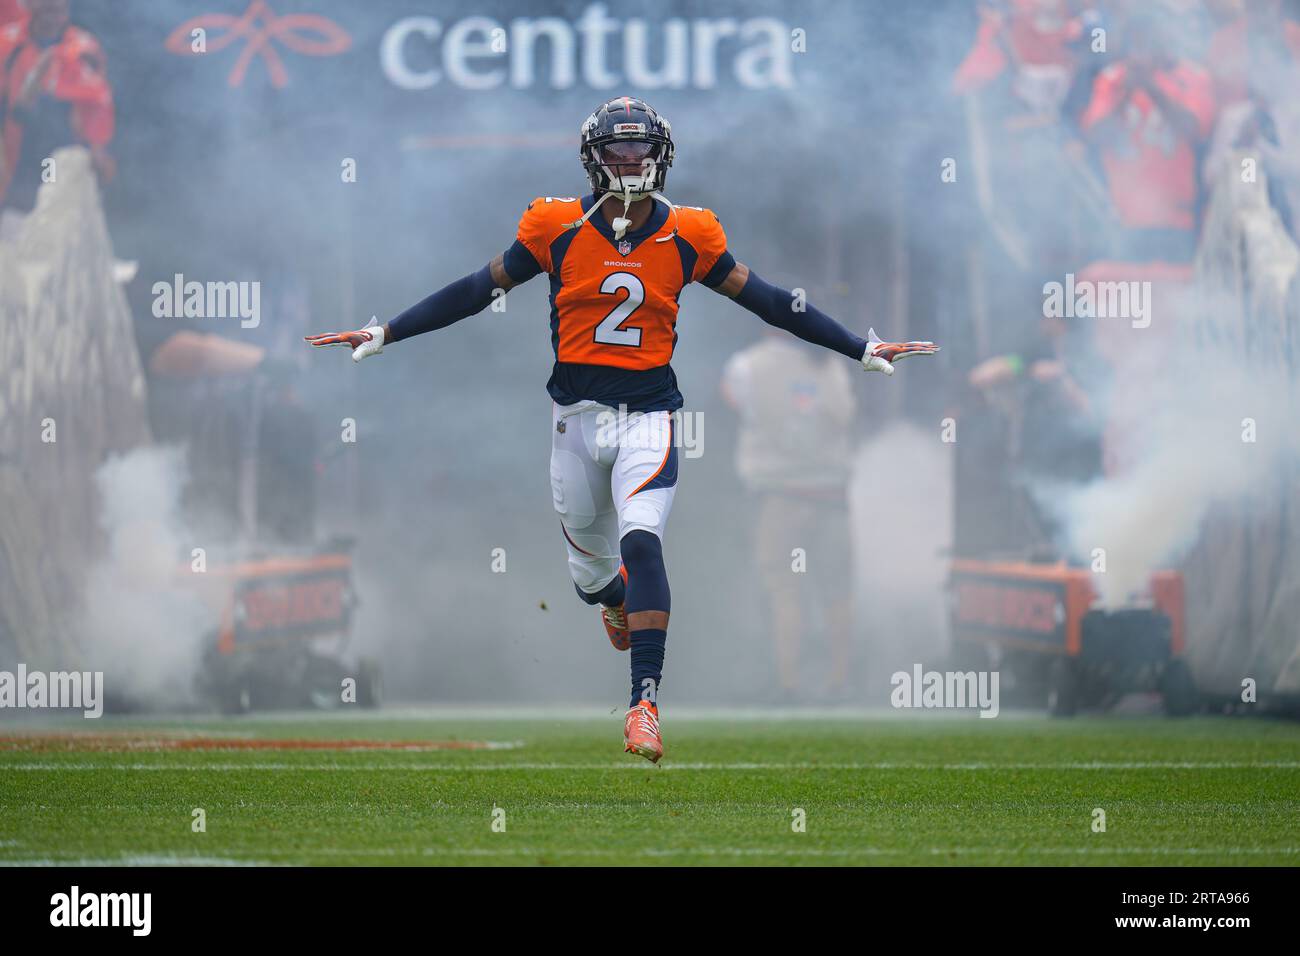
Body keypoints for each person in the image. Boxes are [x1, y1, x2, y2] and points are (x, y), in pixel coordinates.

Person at [306, 97, 938, 762]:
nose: (632, 162)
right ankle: (610, 600)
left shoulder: (690, 233)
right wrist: (386, 331)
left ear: (661, 156)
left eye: (642, 151)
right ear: (593, 158)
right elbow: (477, 288)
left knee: (643, 542)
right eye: (619, 151)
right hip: (574, 424)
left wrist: (861, 349)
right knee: (592, 579)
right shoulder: (555, 224)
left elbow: (773, 303)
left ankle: (644, 704)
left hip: (650, 418)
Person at [721, 328, 857, 700]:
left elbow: (732, 399)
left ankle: (788, 683)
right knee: (837, 593)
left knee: (784, 590)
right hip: (831, 496)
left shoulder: (748, 364)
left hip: (780, 497)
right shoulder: (831, 363)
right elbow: (846, 415)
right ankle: (839, 682)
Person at [0, 0, 114, 217]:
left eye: (59, 10)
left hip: (59, 146)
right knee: (14, 209)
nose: (52, 18)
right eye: (46, 9)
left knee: (52, 204)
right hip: (17, 140)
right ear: (31, 7)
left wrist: (97, 147)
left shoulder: (82, 48)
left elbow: (97, 101)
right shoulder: (8, 41)